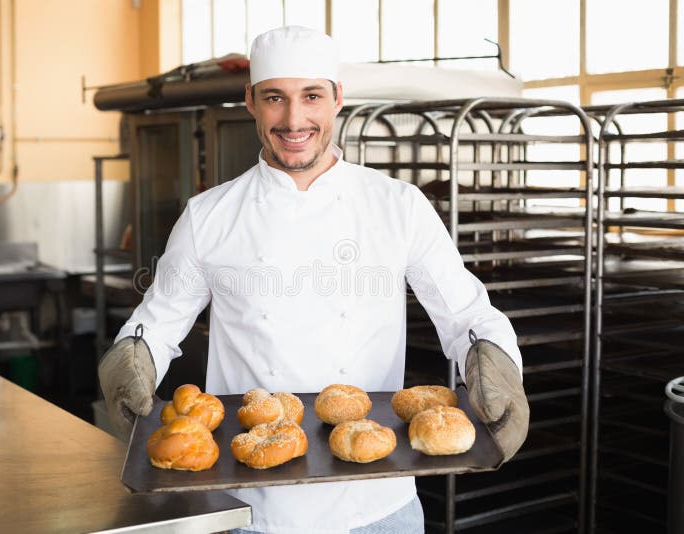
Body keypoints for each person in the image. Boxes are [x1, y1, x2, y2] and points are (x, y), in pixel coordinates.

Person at [98, 26, 529, 534]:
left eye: (312, 96)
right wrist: (133, 360)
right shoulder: (208, 216)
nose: (293, 119)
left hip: (376, 502)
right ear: (251, 102)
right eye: (275, 98)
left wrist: (496, 366)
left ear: (338, 99)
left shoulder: (397, 206)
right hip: (247, 506)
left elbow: (466, 314)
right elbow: (159, 320)